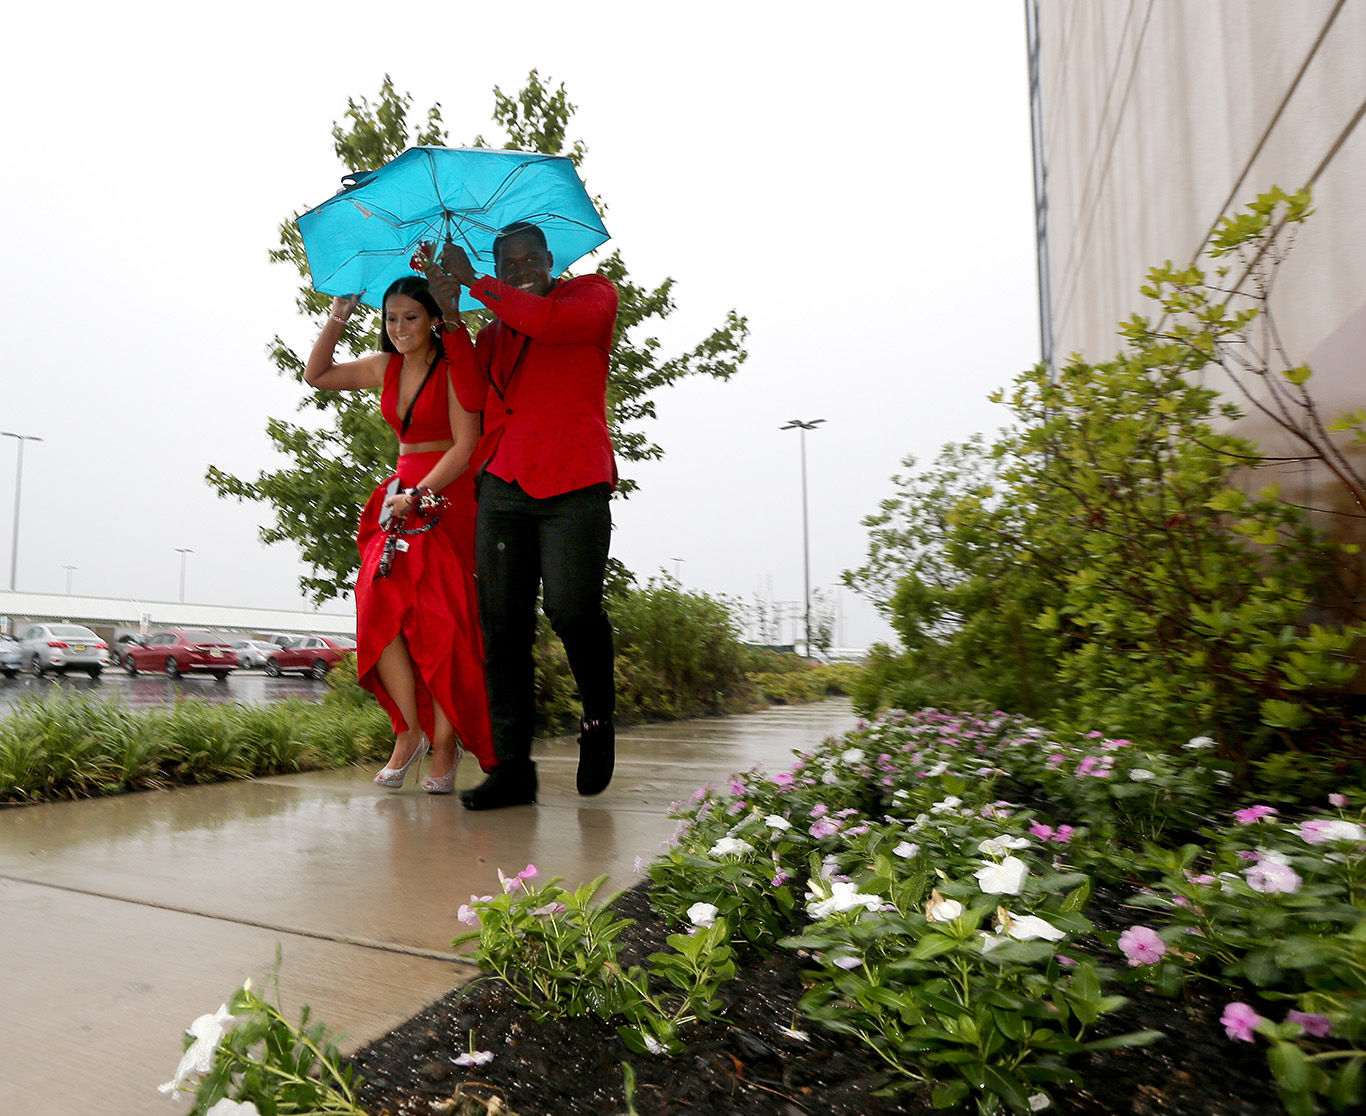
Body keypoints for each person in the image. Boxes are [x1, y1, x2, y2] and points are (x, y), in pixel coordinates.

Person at [428, 222, 619, 810]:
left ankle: (598, 722)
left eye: (528, 259)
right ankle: (513, 769)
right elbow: (473, 393)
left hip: (574, 480)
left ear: (549, 258)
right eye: (506, 264)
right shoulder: (498, 331)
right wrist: (453, 318)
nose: (518, 270)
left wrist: (477, 283)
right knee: (503, 629)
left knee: (571, 608)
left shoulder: (590, 295)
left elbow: (551, 324)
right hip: (506, 484)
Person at [303, 276, 496, 793]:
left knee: (447, 624)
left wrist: (417, 495)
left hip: (446, 498)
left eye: (411, 316)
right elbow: (316, 375)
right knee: (378, 608)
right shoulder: (386, 366)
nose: (400, 327)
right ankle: (408, 732)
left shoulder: (455, 363)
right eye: (391, 318)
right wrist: (341, 311)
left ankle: (447, 743)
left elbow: (465, 444)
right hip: (398, 498)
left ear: (433, 317)